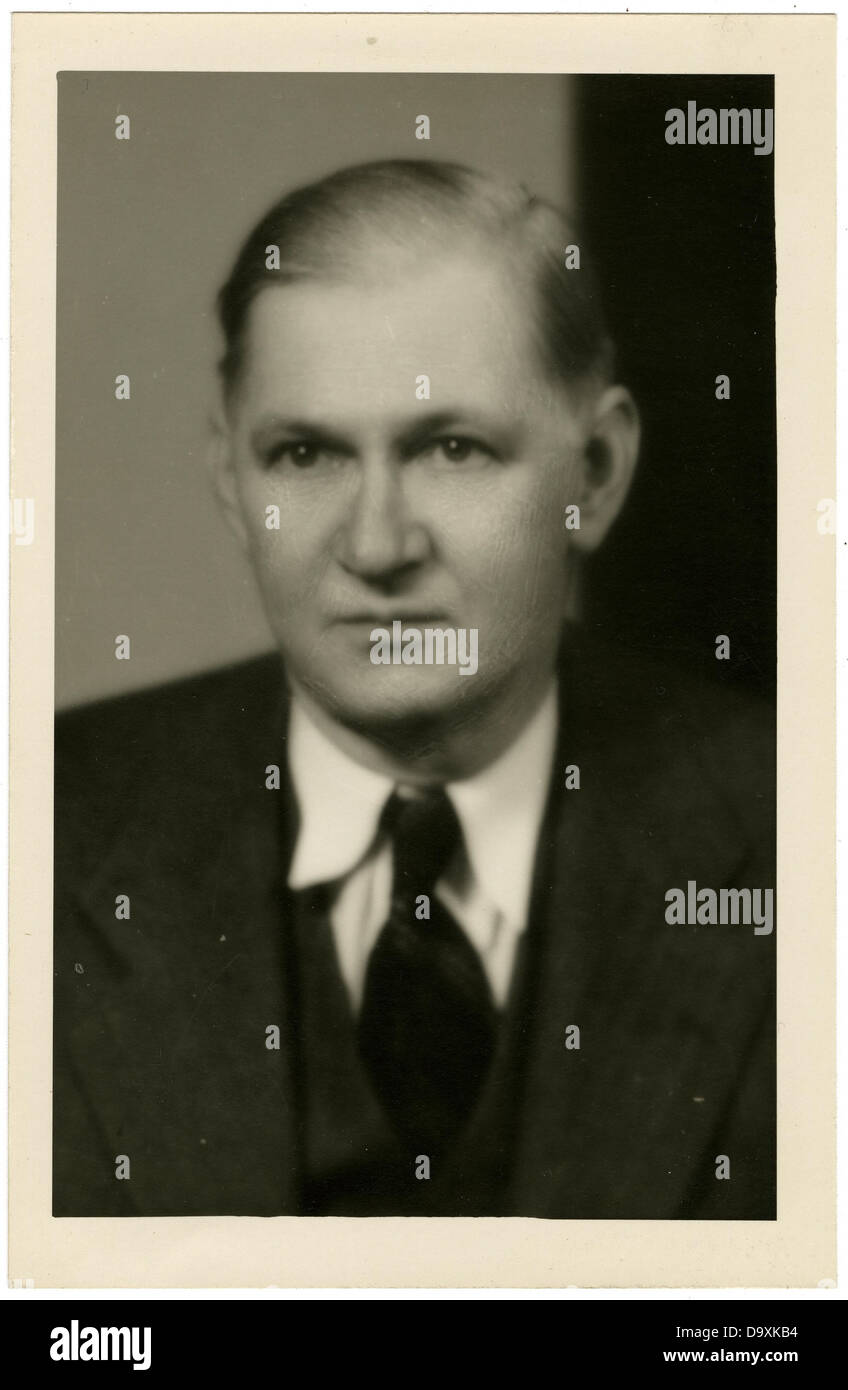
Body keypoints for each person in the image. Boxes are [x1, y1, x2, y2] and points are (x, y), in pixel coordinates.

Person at [53, 159, 775, 1218]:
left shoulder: (803, 831)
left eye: (451, 448)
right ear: (228, 477)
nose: (377, 544)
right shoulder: (40, 831)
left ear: (597, 471)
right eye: (303, 454)